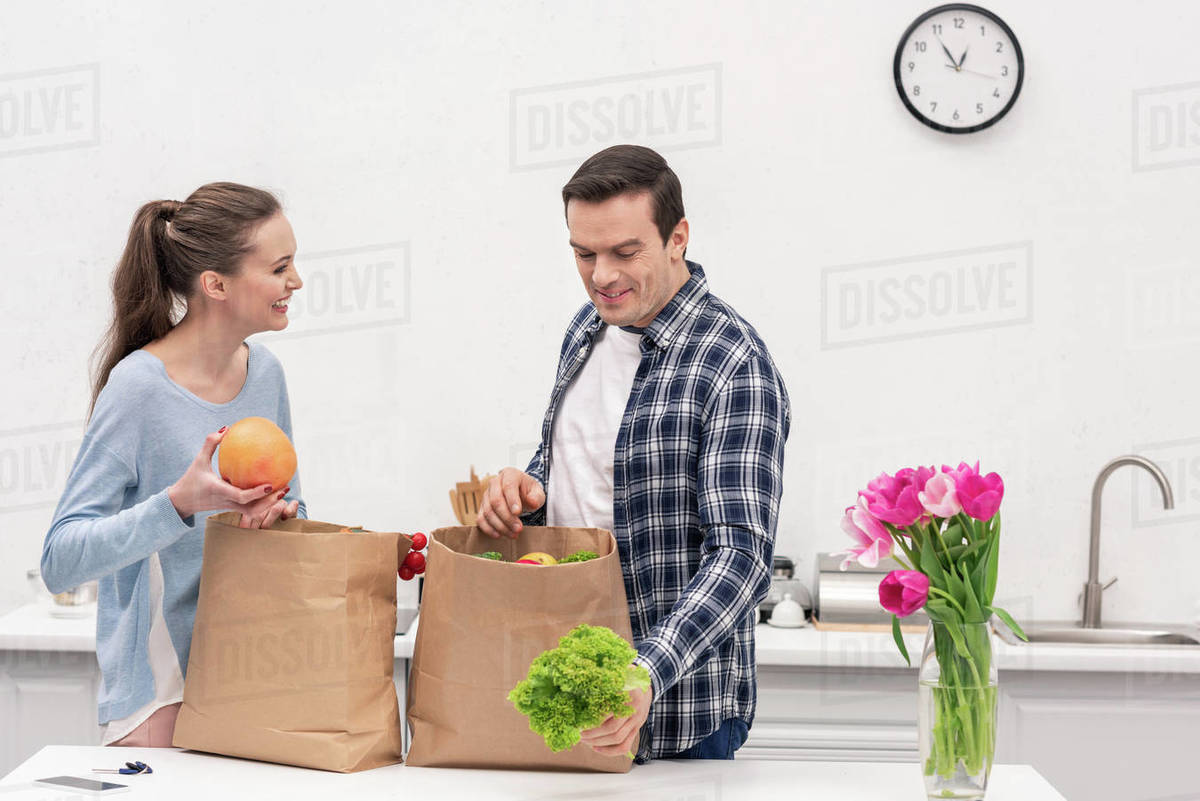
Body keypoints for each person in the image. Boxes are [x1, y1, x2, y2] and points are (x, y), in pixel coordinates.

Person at [476, 145, 790, 761]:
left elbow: (744, 558)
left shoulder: (733, 365)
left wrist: (643, 673)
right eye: (583, 253)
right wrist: (531, 489)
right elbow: (577, 468)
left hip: (675, 713)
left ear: (678, 238)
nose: (602, 276)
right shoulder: (585, 331)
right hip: (568, 692)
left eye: (625, 252)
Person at [41, 182, 306, 748]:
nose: (296, 282)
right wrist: (177, 504)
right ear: (216, 284)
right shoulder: (138, 388)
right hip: (162, 697)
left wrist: (280, 515)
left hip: (252, 680)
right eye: (280, 266)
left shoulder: (267, 376)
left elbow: (295, 510)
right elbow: (61, 560)